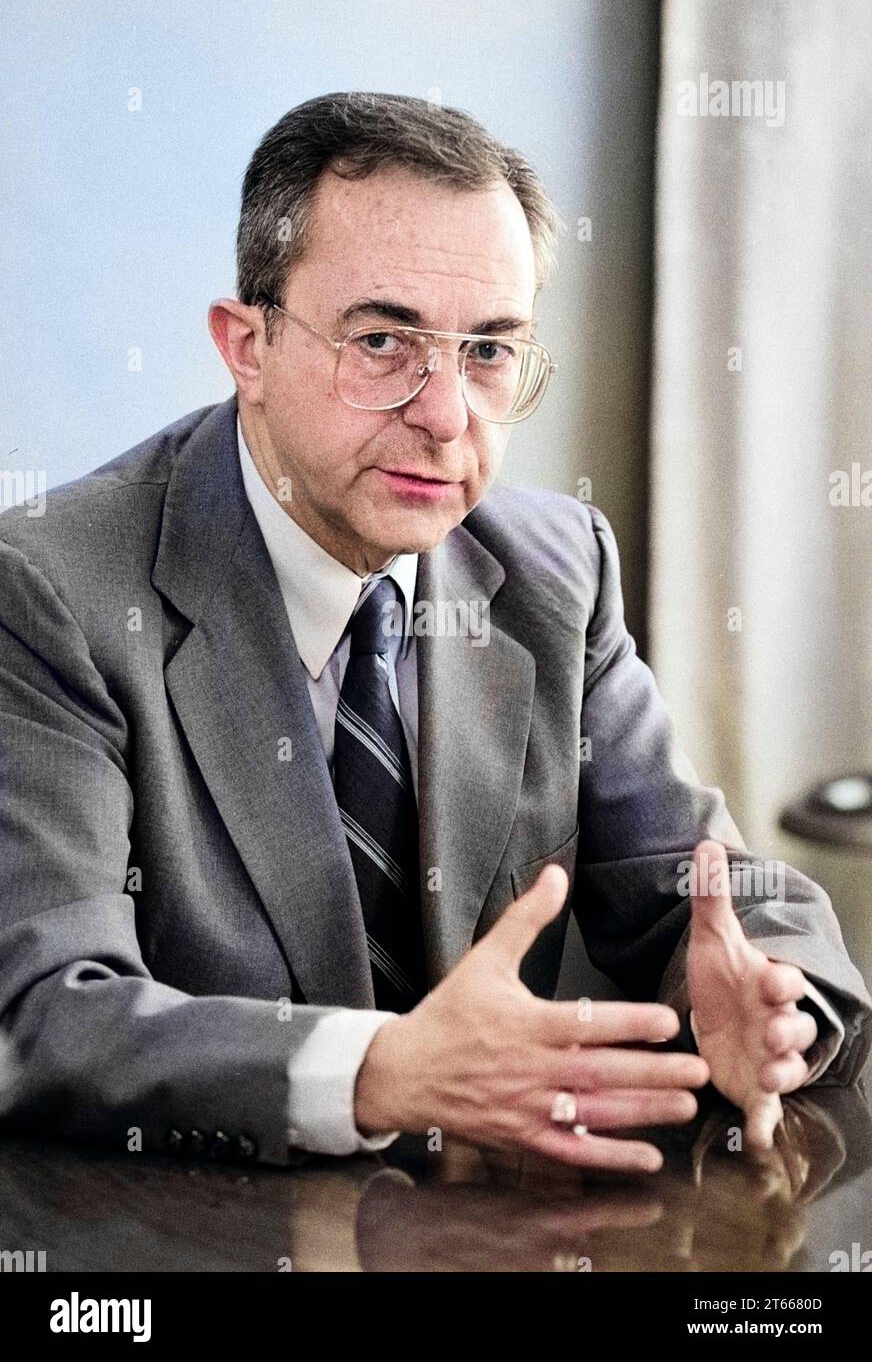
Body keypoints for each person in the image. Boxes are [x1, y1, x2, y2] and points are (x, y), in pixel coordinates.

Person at [0, 92, 868, 1175]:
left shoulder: (554, 569)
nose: (446, 413)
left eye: (491, 351)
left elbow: (714, 895)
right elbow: (42, 1014)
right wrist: (378, 1069)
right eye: (382, 341)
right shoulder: (52, 591)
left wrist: (770, 1006)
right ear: (248, 345)